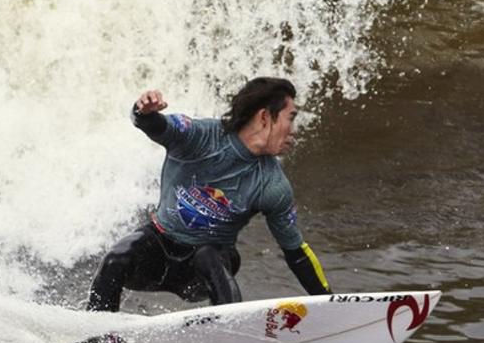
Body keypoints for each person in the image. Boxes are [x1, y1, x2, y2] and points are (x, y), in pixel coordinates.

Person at [84, 77, 332, 312]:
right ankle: (95, 342)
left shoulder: (272, 184)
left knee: (209, 256)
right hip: (157, 254)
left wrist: (332, 303)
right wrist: (144, 111)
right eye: (291, 118)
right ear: (265, 117)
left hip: (204, 272)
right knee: (116, 258)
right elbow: (154, 125)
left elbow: (296, 252)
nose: (294, 131)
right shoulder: (200, 136)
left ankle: (231, 335)